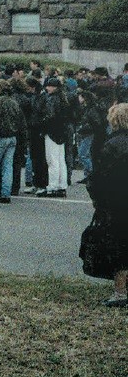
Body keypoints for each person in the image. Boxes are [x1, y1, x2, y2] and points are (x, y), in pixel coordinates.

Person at [85, 103, 128, 307]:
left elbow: (101, 177)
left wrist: (97, 199)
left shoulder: (112, 144)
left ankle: (120, 292)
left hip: (117, 202)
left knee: (119, 248)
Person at [0, 80, 27, 204]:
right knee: (8, 165)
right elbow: (21, 122)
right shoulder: (14, 103)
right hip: (12, 137)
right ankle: (5, 193)